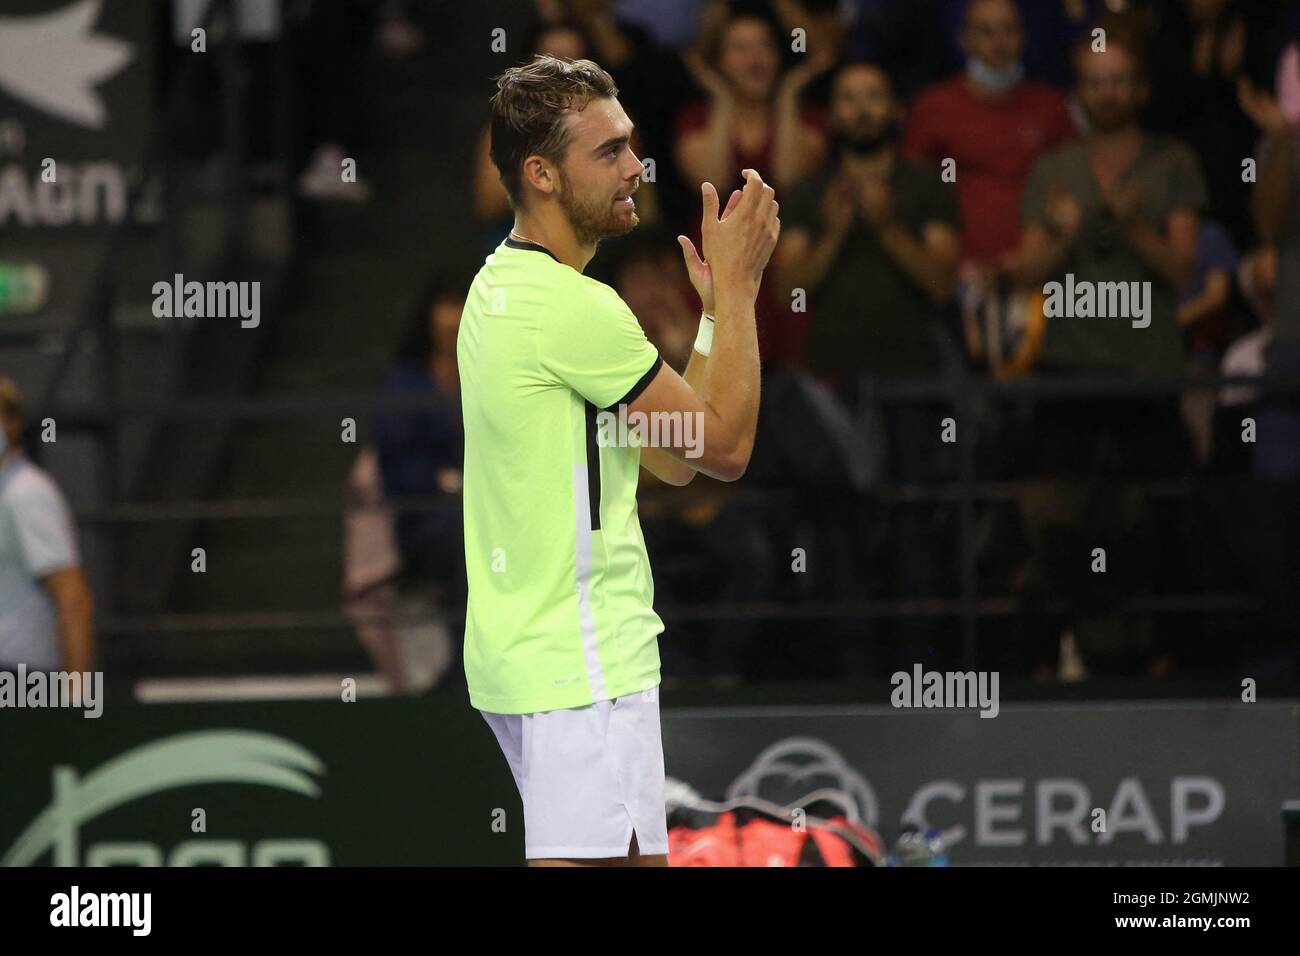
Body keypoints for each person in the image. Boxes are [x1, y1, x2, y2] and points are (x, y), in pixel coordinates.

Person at [463, 54, 778, 865]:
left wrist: (711, 319)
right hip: (581, 656)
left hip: (531, 656)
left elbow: (674, 461)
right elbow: (728, 448)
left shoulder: (497, 289)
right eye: (607, 151)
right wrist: (741, 291)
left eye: (632, 144)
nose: (637, 166)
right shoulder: (577, 310)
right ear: (540, 173)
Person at [774, 60, 962, 674]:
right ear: (832, 116)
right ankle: (852, 675)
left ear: (894, 110)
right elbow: (787, 288)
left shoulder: (924, 188)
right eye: (849, 99)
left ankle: (919, 672)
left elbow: (941, 283)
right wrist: (833, 232)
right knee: (840, 530)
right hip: (835, 387)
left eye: (873, 96)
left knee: (914, 527)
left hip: (912, 380)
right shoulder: (810, 193)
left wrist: (887, 228)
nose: (860, 109)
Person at [0, 377, 95, 674]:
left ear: (13, 424)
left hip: (20, 680)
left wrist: (76, 698)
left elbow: (72, 595)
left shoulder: (27, 493)